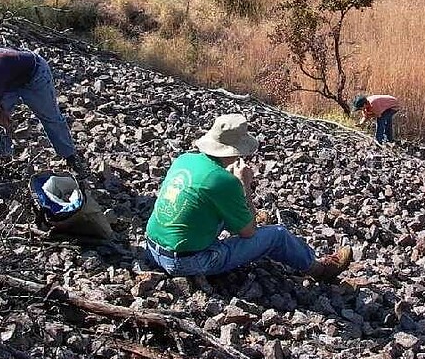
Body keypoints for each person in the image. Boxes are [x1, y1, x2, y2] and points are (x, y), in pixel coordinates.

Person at [144, 113, 353, 281]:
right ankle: (319, 269)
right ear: (235, 150)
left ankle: (245, 215)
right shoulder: (224, 181)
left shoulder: (185, 159)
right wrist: (244, 184)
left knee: (213, 206)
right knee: (277, 235)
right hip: (186, 262)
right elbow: (248, 232)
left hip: (152, 248)